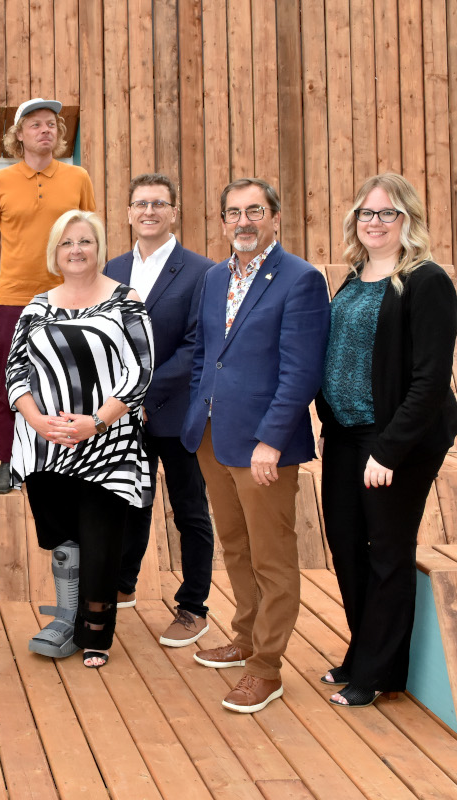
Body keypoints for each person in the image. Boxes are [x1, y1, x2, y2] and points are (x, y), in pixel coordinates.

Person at [182, 178, 331, 714]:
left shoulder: (301, 279)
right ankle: (245, 634)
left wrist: (271, 440)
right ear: (222, 221)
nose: (243, 221)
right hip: (212, 436)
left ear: (275, 217)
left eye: (254, 211)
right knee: (236, 546)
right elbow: (204, 352)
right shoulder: (215, 276)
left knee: (272, 556)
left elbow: (301, 371)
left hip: (263, 445)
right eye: (233, 213)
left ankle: (266, 667)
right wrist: (199, 409)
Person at [316, 173, 457, 708]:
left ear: (408, 220)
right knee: (347, 549)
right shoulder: (354, 277)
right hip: (347, 433)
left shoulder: (426, 281)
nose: (374, 223)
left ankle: (378, 672)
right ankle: (363, 652)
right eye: (367, 213)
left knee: (387, 552)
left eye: (387, 213)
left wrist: (388, 449)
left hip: (398, 439)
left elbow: (429, 379)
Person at [7, 210, 153, 669]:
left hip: (106, 443)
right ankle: (66, 618)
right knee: (62, 537)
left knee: (100, 537)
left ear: (99, 248)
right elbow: (15, 372)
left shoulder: (126, 300)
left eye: (85, 241)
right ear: (55, 252)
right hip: (45, 443)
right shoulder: (37, 304)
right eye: (67, 242)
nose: (76, 249)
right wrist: (35, 420)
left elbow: (142, 371)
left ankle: (96, 633)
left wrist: (97, 421)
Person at [104, 173, 215, 647]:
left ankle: (192, 607)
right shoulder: (112, 269)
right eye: (140, 203)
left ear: (174, 212)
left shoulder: (202, 271)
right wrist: (119, 401)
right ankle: (123, 584)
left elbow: (197, 346)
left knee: (189, 511)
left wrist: (142, 396)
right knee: (130, 500)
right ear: (128, 212)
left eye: (159, 204)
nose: (149, 211)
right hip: (123, 415)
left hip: (178, 412)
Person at [0, 98, 96, 495]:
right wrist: (9, 273)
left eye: (52, 124)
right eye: (35, 125)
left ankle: (68, 458)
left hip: (71, 297)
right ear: (19, 135)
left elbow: (90, 233)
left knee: (72, 376)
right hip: (13, 298)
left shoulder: (78, 177)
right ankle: (8, 459)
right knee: (11, 381)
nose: (45, 129)